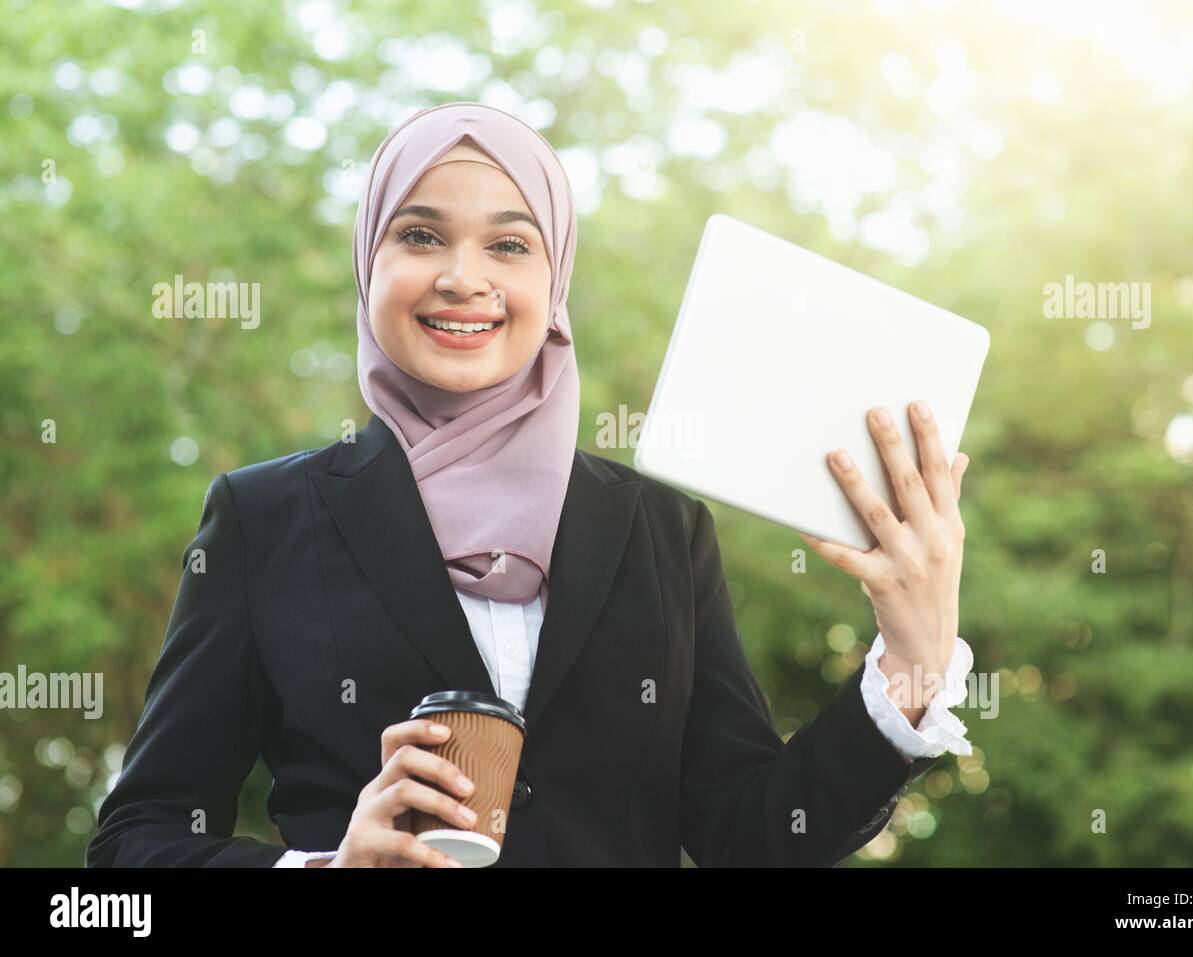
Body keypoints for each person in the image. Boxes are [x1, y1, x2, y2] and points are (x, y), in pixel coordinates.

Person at [86, 101, 975, 868]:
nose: (462, 277)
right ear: (368, 263)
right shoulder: (265, 518)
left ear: (555, 283)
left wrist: (911, 662)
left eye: (510, 244)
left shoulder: (660, 529)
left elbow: (754, 837)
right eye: (419, 234)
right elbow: (136, 839)